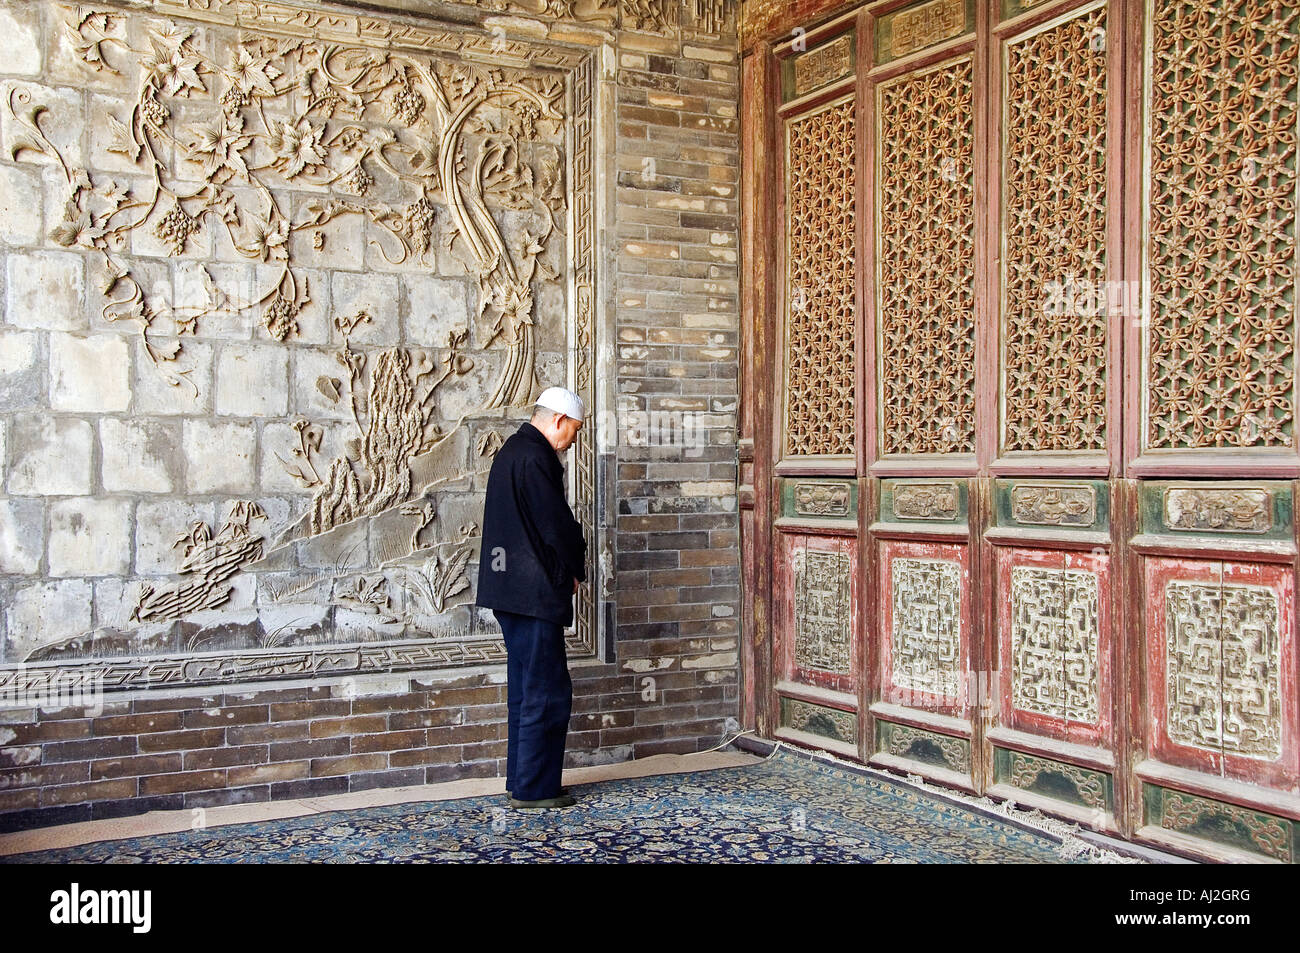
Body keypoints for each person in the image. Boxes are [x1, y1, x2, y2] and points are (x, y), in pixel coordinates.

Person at [475, 386, 587, 809]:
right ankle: (536, 790)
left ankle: (522, 782)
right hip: (533, 593)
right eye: (573, 431)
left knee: (525, 689)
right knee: (547, 690)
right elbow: (555, 526)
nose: (572, 441)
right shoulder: (537, 457)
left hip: (510, 593)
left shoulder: (512, 452)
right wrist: (573, 568)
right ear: (558, 420)